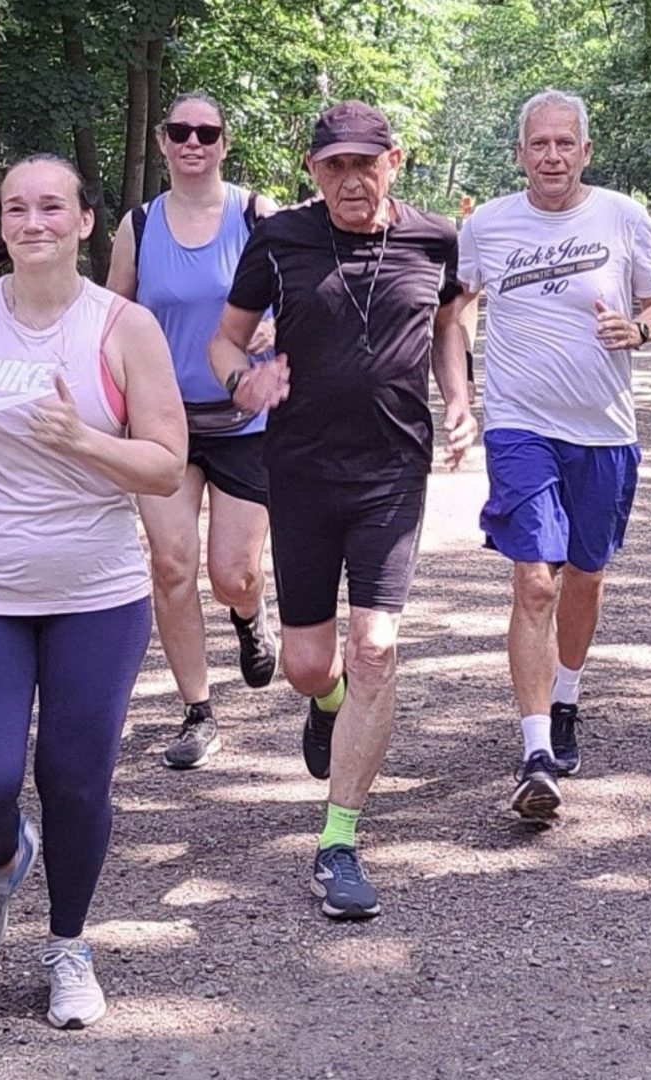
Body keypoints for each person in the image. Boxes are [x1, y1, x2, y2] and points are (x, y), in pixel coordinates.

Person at [0, 155, 186, 1027]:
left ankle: (68, 946)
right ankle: (3, 851)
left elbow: (165, 467)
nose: (33, 221)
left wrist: (84, 439)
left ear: (86, 221)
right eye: (16, 207)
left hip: (97, 588)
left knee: (75, 777)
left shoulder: (123, 328)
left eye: (52, 206)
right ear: (2, 222)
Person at [209, 100, 475, 920]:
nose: (352, 179)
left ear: (395, 162)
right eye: (335, 165)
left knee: (377, 646)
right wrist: (239, 381)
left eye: (367, 163)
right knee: (308, 666)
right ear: (313, 170)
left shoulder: (435, 237)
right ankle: (326, 705)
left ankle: (339, 840)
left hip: (392, 471)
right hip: (299, 470)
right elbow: (225, 338)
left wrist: (461, 398)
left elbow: (448, 325)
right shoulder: (280, 240)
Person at [457, 90, 651, 819]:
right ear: (519, 153)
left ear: (585, 151)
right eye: (538, 144)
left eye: (565, 144)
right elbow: (455, 307)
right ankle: (535, 750)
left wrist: (640, 331)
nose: (552, 156)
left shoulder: (621, 215)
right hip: (520, 425)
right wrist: (458, 388)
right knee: (537, 583)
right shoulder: (487, 225)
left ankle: (568, 697)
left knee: (584, 575)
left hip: (605, 430)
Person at [106, 92, 280, 770]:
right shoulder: (140, 224)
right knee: (171, 565)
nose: (193, 142)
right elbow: (112, 313)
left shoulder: (254, 213)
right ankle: (198, 709)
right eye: (180, 131)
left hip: (244, 419)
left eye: (206, 132)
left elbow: (303, 294)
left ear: (224, 142)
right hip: (164, 422)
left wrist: (278, 326)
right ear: (161, 140)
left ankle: (248, 614)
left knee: (231, 572)